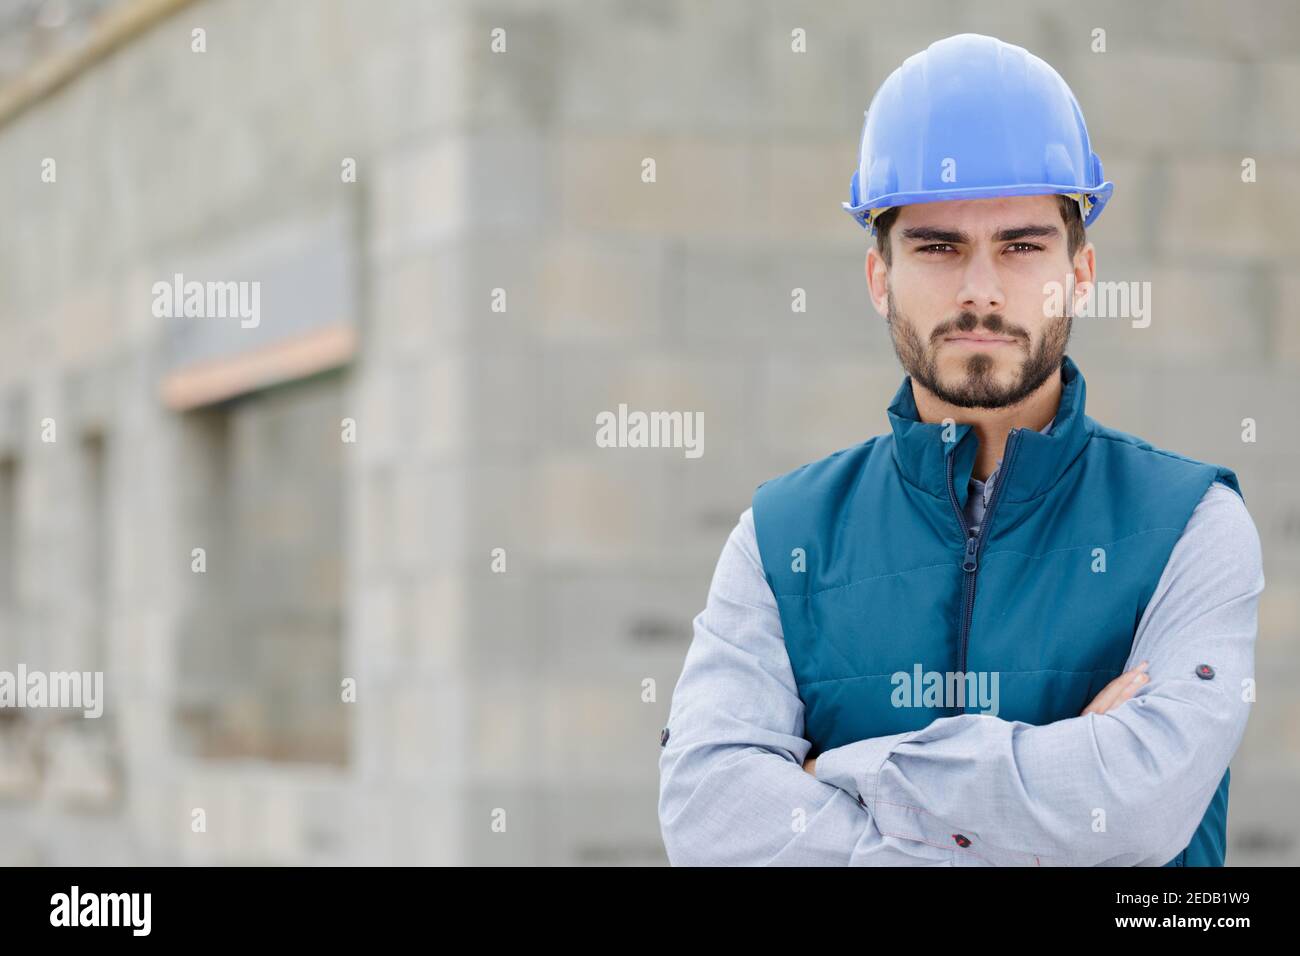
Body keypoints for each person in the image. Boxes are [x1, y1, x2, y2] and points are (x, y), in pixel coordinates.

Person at [657, 33, 1264, 866]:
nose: (980, 289)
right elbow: (708, 819)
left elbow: (1134, 817)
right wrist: (1051, 783)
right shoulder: (780, 537)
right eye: (938, 247)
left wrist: (841, 775)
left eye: (1020, 246)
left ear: (1081, 274)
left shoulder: (1190, 524)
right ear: (880, 280)